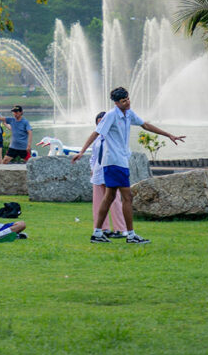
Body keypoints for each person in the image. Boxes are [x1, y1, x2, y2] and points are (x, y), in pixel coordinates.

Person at [72, 87, 185, 244]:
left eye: (128, 99)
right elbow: (96, 133)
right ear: (117, 103)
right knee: (127, 197)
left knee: (110, 197)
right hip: (114, 162)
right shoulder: (111, 115)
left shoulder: (129, 113)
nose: (128, 102)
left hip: (119, 161)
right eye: (124, 101)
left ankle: (97, 233)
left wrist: (169, 135)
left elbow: (145, 125)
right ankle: (130, 235)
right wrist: (82, 151)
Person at [89, 111, 125, 238]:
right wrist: (92, 168)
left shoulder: (115, 138)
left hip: (111, 172)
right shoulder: (97, 139)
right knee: (98, 202)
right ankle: (103, 228)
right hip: (98, 173)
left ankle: (120, 229)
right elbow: (93, 156)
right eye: (98, 123)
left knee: (115, 201)